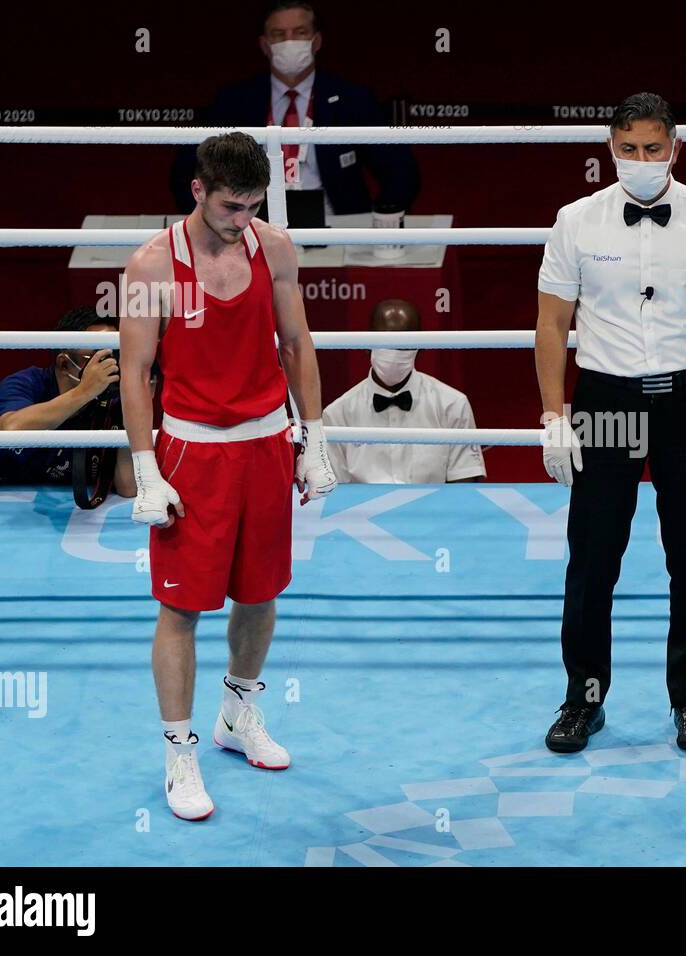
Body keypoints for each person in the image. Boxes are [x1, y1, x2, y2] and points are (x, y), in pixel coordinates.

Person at [120, 131, 336, 821]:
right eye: (230, 207)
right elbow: (133, 373)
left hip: (266, 442)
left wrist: (315, 437)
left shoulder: (273, 246)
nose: (242, 220)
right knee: (181, 608)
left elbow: (297, 341)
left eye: (252, 206)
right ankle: (178, 749)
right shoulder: (153, 266)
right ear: (198, 191)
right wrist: (147, 469)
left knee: (261, 591)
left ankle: (238, 714)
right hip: (193, 452)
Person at [535, 92, 686, 754]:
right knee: (593, 556)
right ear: (610, 148)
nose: (640, 160)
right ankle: (584, 698)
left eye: (652, 148)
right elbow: (552, 321)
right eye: (628, 149)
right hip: (607, 400)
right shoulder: (575, 220)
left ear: (676, 148)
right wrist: (553, 414)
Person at [169, 2, 419, 220]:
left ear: (316, 41)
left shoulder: (353, 99)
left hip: (335, 227)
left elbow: (400, 170)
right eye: (279, 34)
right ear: (264, 45)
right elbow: (187, 170)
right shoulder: (234, 101)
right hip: (248, 228)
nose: (289, 41)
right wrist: (213, 224)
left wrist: (380, 220)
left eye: (300, 33)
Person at [0, 306, 137, 496]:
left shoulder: (109, 401)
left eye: (113, 355)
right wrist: (84, 391)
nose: (109, 364)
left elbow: (128, 487)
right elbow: (11, 429)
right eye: (97, 357)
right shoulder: (25, 383)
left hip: (36, 511)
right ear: (64, 363)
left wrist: (132, 402)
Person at [323, 299, 485, 483]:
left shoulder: (453, 404)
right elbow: (335, 494)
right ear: (366, 344)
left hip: (433, 510)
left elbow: (465, 485)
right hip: (363, 511)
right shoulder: (336, 414)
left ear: (421, 346)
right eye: (386, 340)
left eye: (404, 342)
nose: (394, 350)